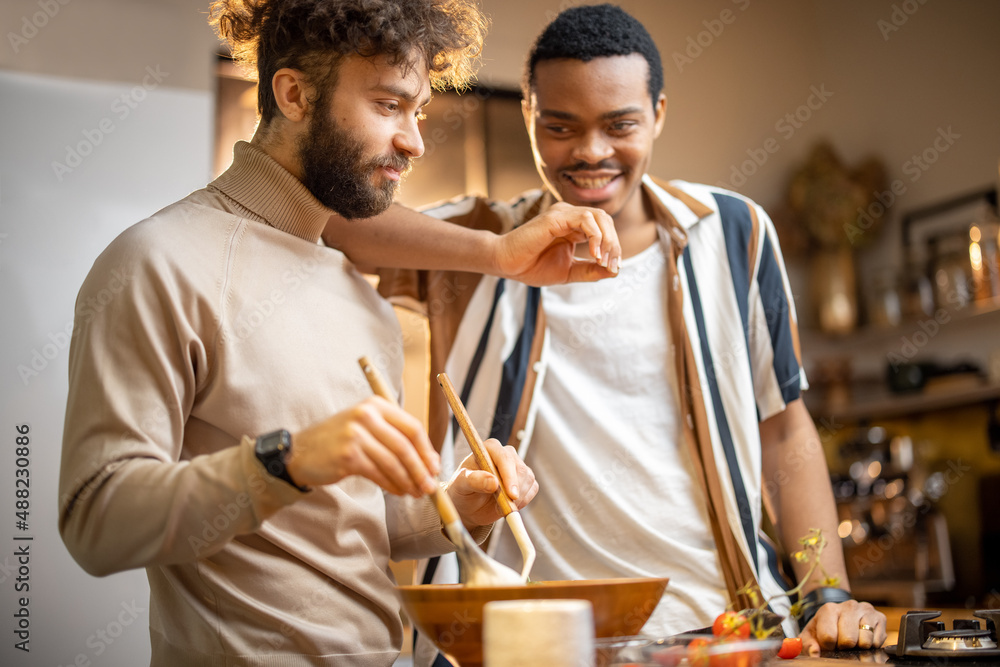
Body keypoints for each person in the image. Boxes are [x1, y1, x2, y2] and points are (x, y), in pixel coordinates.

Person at [57, 1, 623, 665]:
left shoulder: (361, 296)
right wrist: (288, 458)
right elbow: (95, 522)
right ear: (294, 94)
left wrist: (455, 506)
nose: (414, 140)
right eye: (389, 105)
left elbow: (348, 526)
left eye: (417, 111)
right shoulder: (157, 261)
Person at [371, 4, 888, 661]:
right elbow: (335, 226)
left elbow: (784, 430)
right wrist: (499, 254)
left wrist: (829, 596)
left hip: (725, 632)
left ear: (659, 114)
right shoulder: (475, 239)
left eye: (620, 125)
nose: (590, 152)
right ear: (529, 117)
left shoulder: (736, 232)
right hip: (527, 645)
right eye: (560, 126)